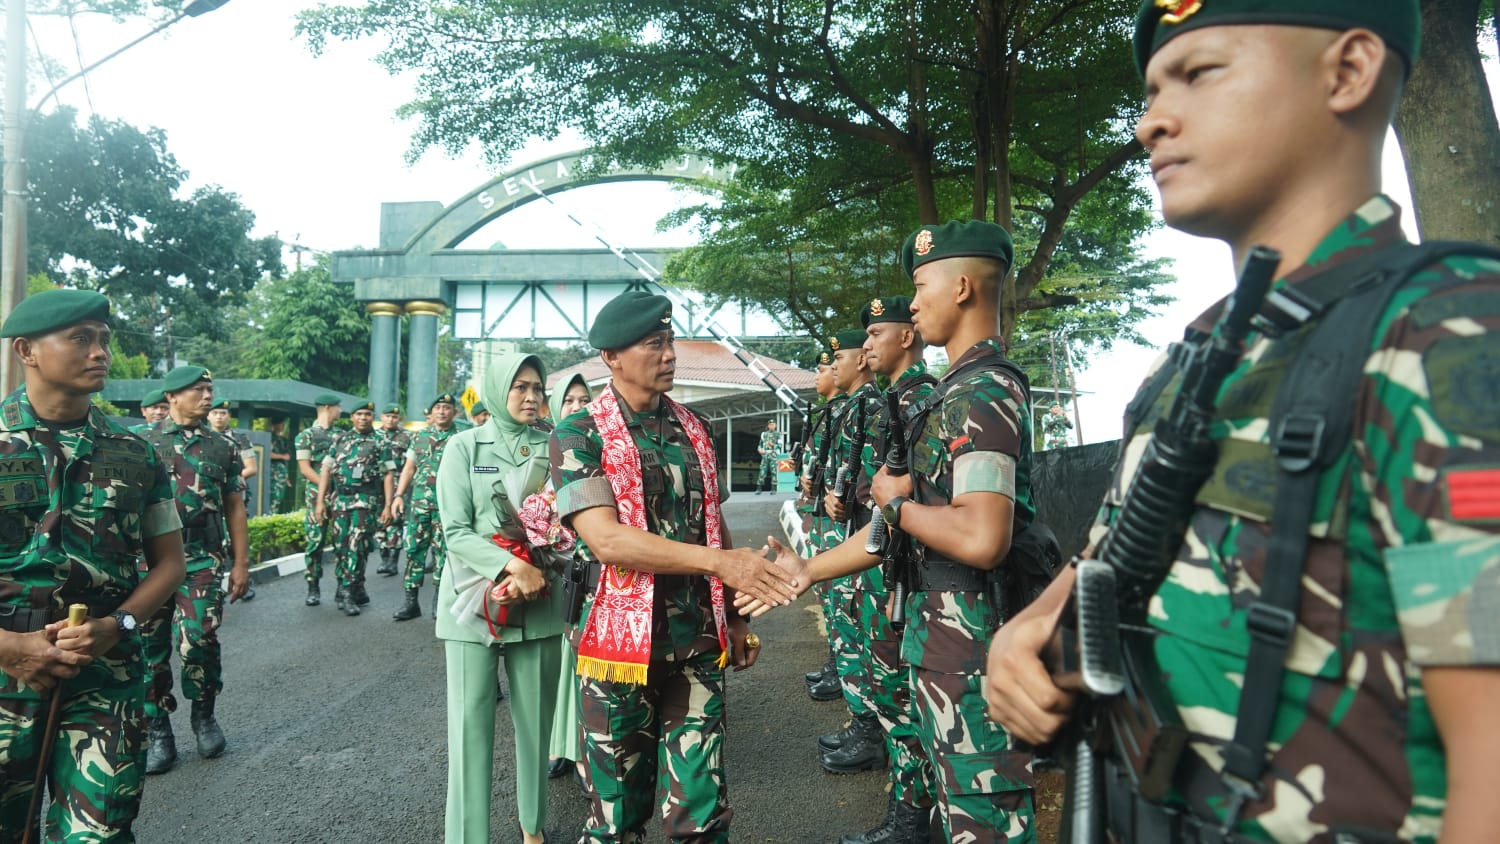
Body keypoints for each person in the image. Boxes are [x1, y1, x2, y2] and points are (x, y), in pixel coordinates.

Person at [984, 4, 1500, 842]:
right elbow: (1120, 556)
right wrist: (1027, 628)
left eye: (1201, 72)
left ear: (1349, 70)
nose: (1152, 119)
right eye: (1151, 89)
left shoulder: (1450, 338)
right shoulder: (1193, 363)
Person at [745, 220, 1037, 841]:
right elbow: (893, 530)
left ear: (961, 287)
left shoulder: (984, 392)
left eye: (922, 284)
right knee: (958, 810)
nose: (917, 300)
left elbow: (983, 536)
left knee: (985, 818)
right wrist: (808, 570)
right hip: (943, 641)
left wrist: (897, 506)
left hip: (975, 646)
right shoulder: (956, 393)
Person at [549, 290, 797, 842]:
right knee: (616, 814)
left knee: (703, 810)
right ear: (612, 357)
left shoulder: (694, 428)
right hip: (618, 650)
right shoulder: (578, 435)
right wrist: (720, 564)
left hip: (696, 639)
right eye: (653, 344)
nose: (668, 355)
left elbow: (713, 520)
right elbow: (607, 540)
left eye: (670, 342)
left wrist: (736, 616)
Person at [0, 290, 186, 840]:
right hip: (5, 664)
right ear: (26, 351)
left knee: (99, 832)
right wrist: (10, 649)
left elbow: (169, 564)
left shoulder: (136, 450)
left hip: (104, 672)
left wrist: (117, 626)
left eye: (103, 339)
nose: (100, 351)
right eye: (80, 338)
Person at [435, 352, 565, 844]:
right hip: (473, 604)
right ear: (496, 391)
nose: (531, 397)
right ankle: (468, 836)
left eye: (537, 388)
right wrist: (512, 566)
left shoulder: (557, 446)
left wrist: (538, 565)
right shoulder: (464, 447)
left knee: (535, 726)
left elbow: (567, 522)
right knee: (470, 728)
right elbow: (456, 529)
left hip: (539, 602)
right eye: (519, 388)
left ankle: (533, 826)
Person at [830, 295, 938, 843]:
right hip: (881, 554)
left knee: (898, 691)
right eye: (865, 334)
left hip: (904, 568)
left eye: (877, 332)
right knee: (889, 685)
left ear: (906, 338)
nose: (867, 343)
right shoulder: (894, 398)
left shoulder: (920, 399)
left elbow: (902, 499)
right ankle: (910, 810)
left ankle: (914, 817)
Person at [139, 365, 252, 775]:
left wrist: (240, 564)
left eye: (210, 389)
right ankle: (157, 730)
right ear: (170, 397)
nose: (208, 397)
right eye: (198, 390)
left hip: (200, 559)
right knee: (147, 649)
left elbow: (235, 506)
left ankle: (204, 716)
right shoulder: (139, 441)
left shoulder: (223, 445)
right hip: (146, 563)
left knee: (199, 639)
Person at [818, 327, 888, 772]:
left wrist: (850, 499)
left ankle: (868, 729)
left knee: (864, 632)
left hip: (869, 532)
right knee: (848, 622)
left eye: (837, 358)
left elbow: (877, 477)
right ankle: (862, 720)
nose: (831, 368)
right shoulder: (848, 408)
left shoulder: (875, 405)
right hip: (849, 525)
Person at [544, 374, 592, 788]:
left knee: (583, 665)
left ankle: (579, 751)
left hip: (588, 575)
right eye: (568, 400)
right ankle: (558, 744)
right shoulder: (544, 453)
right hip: (555, 573)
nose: (577, 406)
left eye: (584, 399)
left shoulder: (598, 449)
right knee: (557, 668)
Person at [314, 400, 396, 617]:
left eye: (367, 414)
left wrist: (388, 505)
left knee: (356, 543)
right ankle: (347, 585)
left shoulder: (380, 442)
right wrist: (320, 502)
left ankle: (349, 592)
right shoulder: (339, 439)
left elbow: (388, 474)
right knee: (341, 546)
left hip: (365, 500)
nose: (363, 418)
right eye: (359, 414)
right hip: (340, 499)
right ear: (352, 417)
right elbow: (325, 470)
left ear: (372, 417)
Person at [800, 349, 844, 701]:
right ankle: (838, 663)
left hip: (838, 524)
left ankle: (844, 668)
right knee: (830, 599)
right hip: (819, 516)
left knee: (842, 600)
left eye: (823, 369)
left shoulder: (851, 411)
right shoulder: (828, 413)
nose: (818, 375)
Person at [390, 394, 459, 621]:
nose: (442, 411)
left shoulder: (461, 438)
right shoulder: (420, 437)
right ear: (431, 413)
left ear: (454, 412)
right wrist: (398, 495)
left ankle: (439, 603)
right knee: (413, 551)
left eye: (446, 407)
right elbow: (409, 469)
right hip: (419, 505)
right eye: (437, 407)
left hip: (447, 507)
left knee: (444, 554)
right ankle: (411, 602)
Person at [295, 394, 341, 607]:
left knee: (344, 542)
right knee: (315, 542)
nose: (340, 411)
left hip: (342, 497)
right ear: (326, 408)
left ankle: (344, 588)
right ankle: (313, 586)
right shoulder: (306, 435)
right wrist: (326, 487)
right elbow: (305, 468)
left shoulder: (342, 435)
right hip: (317, 498)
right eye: (337, 407)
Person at [374, 404, 412, 577]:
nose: (390, 419)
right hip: (377, 483)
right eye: (387, 416)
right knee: (379, 521)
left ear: (399, 419)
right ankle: (383, 556)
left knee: (395, 520)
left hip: (398, 483)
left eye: (394, 417)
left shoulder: (406, 437)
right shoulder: (374, 435)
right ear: (382, 417)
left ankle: (392, 561)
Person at [207, 399, 257, 481]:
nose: (219, 417)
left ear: (229, 416)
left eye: (223, 413)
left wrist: (228, 481)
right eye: (215, 413)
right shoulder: (200, 436)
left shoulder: (240, 439)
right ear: (208, 416)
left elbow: (251, 469)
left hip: (233, 488)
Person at [755, 419, 779, 492]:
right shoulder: (764, 434)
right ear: (768, 426)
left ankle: (774, 488)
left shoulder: (777, 434)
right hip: (765, 454)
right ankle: (759, 488)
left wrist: (773, 445)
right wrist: (759, 449)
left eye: (773, 424)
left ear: (775, 425)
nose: (772, 426)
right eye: (770, 425)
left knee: (774, 471)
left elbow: (780, 445)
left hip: (773, 454)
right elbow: (760, 445)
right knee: (762, 471)